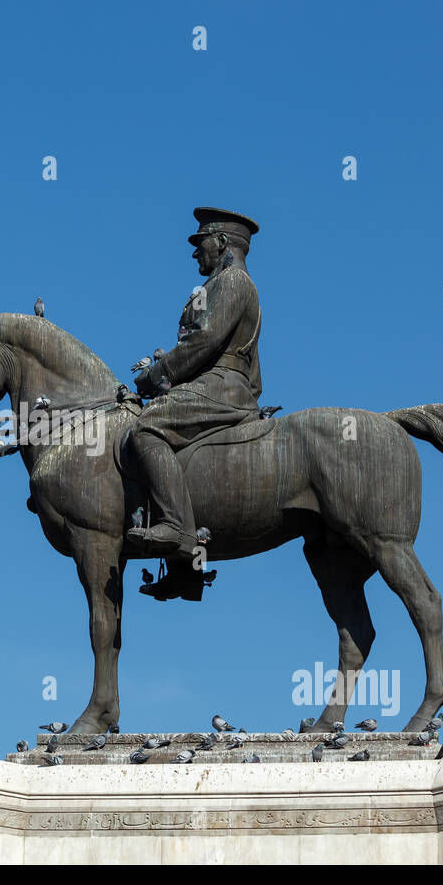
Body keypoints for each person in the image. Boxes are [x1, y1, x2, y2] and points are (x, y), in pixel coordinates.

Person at [126, 207, 263, 598]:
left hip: (220, 385)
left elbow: (203, 342)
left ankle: (174, 528)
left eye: (199, 241)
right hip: (227, 386)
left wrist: (156, 376)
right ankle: (185, 572)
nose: (194, 252)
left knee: (146, 428)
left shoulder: (232, 282)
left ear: (220, 242)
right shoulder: (224, 284)